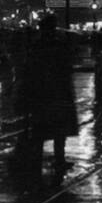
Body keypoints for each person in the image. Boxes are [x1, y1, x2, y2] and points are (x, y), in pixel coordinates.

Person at [20, 14, 78, 171]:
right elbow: (66, 68)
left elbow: (28, 70)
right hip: (56, 93)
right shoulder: (59, 46)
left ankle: (37, 161)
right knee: (58, 131)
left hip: (40, 94)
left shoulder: (36, 46)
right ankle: (59, 160)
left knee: (39, 131)